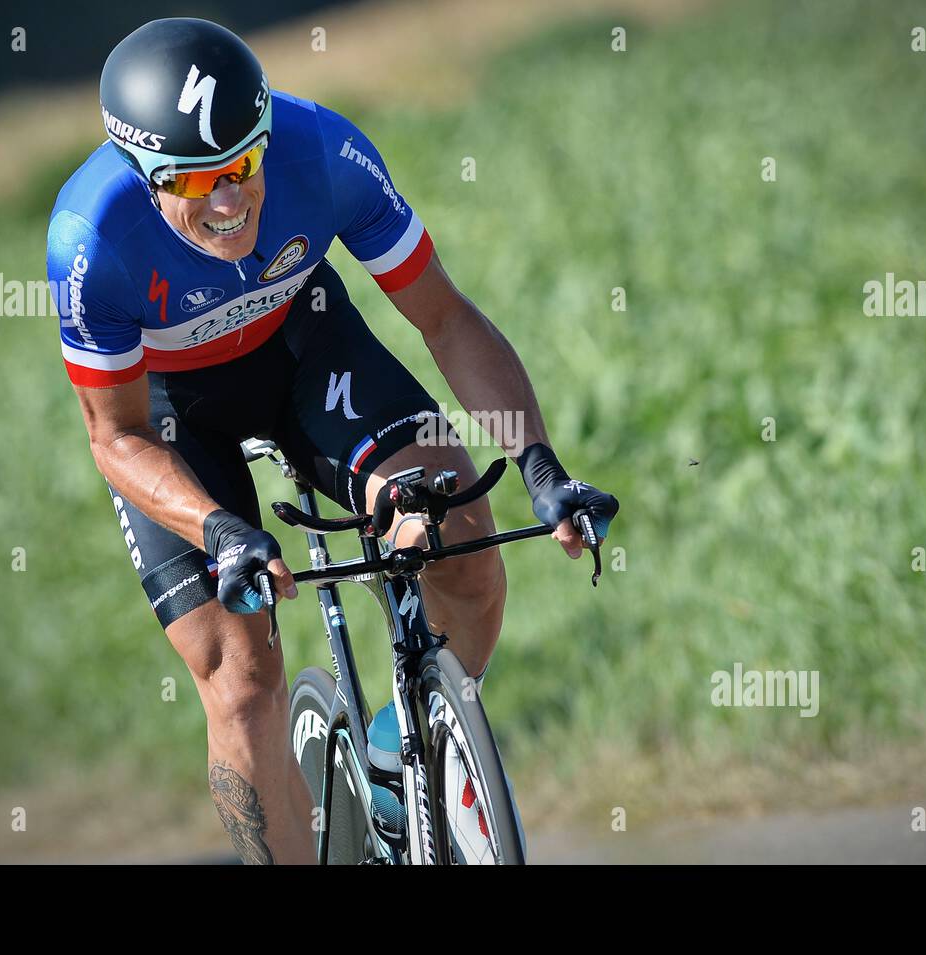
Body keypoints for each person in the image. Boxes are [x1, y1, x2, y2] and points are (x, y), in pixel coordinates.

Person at [46, 17, 618, 864]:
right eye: (200, 183)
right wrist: (220, 530)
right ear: (144, 174)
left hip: (306, 345)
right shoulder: (91, 239)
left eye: (243, 164)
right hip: (173, 419)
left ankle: (398, 748)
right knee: (242, 681)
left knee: (461, 536)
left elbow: (445, 317)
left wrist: (541, 468)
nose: (233, 200)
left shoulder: (322, 151)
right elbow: (117, 436)